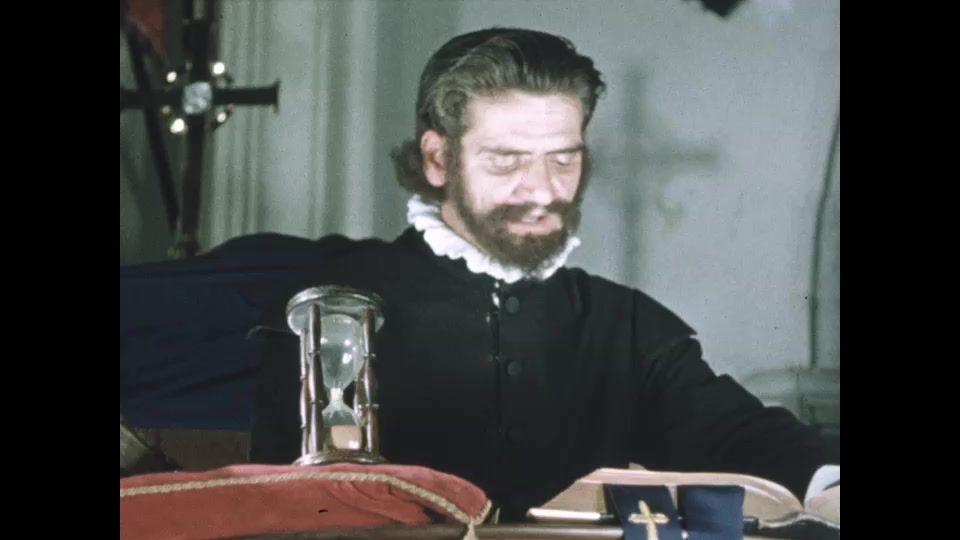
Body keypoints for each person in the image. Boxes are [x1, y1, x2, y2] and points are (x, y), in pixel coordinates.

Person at [119, 27, 838, 523]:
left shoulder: (628, 326)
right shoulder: (333, 300)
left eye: (564, 157)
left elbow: (743, 434)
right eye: (506, 160)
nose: (542, 189)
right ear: (437, 159)